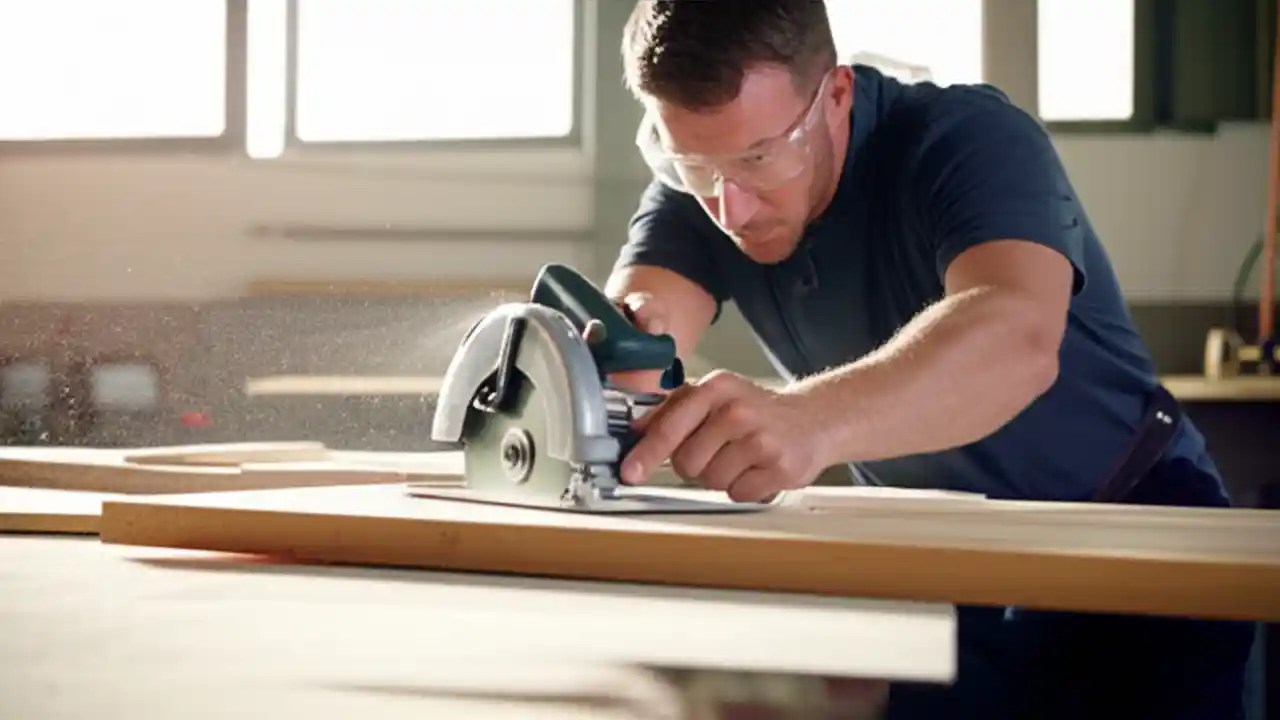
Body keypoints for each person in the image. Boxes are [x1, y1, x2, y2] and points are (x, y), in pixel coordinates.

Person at [602, 1, 1256, 718]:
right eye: (693, 164)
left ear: (838, 95)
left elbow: (1015, 340)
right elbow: (638, 336)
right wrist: (594, 357)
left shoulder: (966, 138)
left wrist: (805, 421)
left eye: (760, 159)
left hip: (1129, 536)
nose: (732, 209)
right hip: (948, 561)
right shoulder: (702, 191)